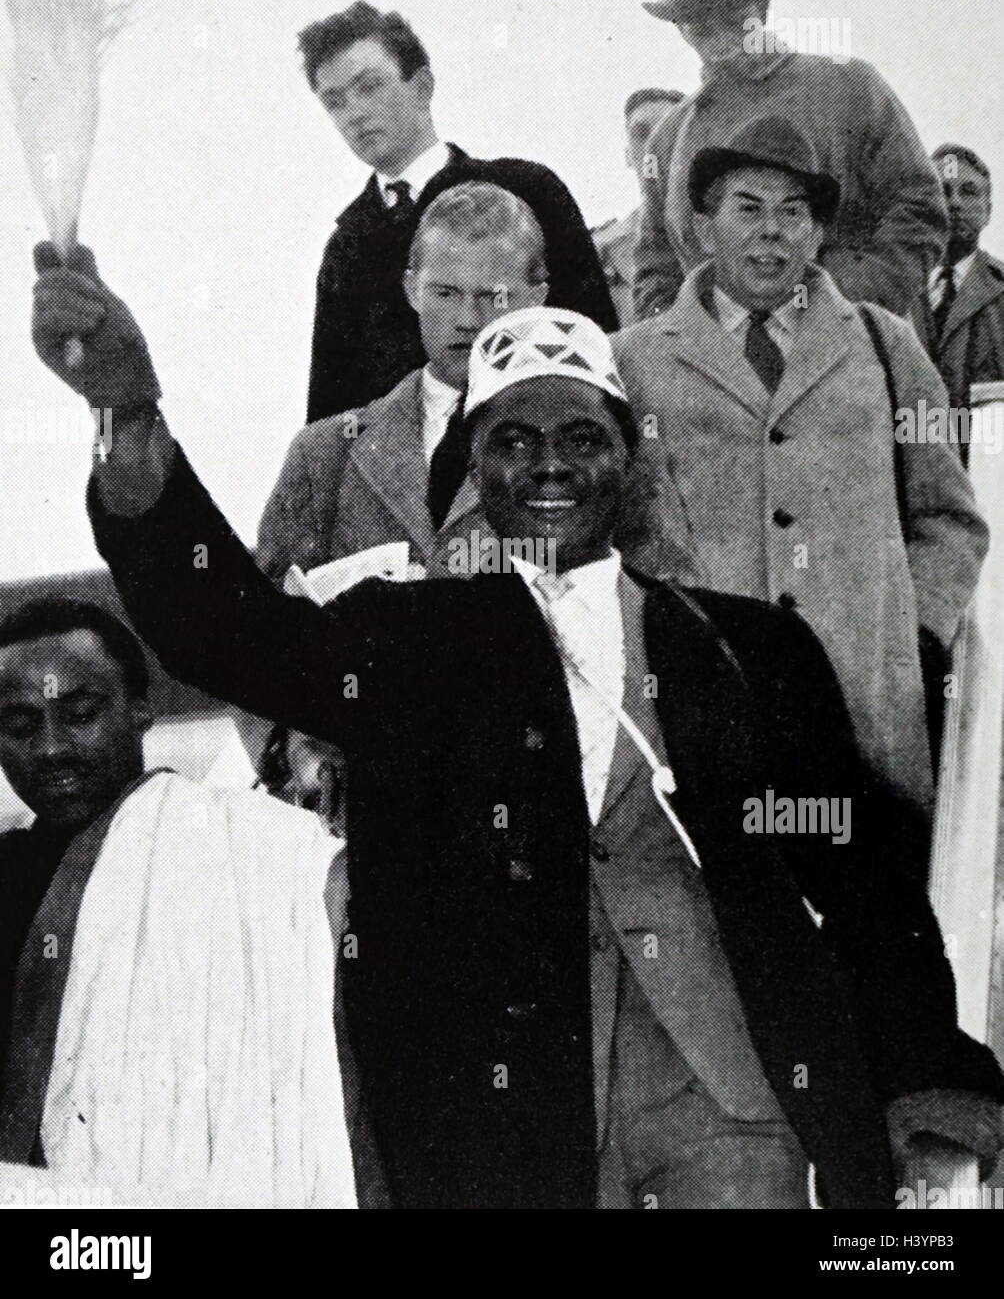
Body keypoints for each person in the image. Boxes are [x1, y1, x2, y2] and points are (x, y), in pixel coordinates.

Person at [29, 252, 1004, 1210]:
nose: (547, 463)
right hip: (502, 1124)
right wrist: (128, 408)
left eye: (579, 436)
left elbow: (865, 880)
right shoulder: (410, 643)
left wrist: (923, 1088)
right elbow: (221, 624)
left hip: (735, 1113)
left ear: (629, 459)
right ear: (478, 474)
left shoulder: (750, 649)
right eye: (511, 439)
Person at [617, 116, 986, 812]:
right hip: (703, 731)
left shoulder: (886, 345)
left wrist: (916, 639)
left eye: (795, 212)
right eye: (747, 209)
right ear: (702, 227)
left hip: (868, 727)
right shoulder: (633, 361)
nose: (773, 231)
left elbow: (949, 518)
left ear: (818, 234)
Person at [0, 597, 355, 1207]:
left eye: (81, 713)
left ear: (142, 710)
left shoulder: (258, 852)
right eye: (21, 726)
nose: (52, 749)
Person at [259, 181, 679, 585]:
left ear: (538, 297)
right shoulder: (325, 454)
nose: (467, 319)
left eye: (492, 297)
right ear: (411, 290)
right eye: (445, 293)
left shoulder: (606, 448)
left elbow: (646, 596)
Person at [301, 1, 615, 421]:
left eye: (369, 86)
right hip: (402, 476)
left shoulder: (529, 189)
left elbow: (600, 346)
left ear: (423, 85)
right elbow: (330, 415)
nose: (354, 113)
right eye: (335, 102)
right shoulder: (347, 246)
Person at [634, 0, 947, 319]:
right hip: (718, 368)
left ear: (761, 6)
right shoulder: (667, 141)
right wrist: (682, 341)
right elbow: (655, 268)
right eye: (701, 28)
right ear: (680, 30)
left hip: (845, 352)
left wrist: (844, 308)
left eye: (734, 20)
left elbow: (919, 208)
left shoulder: (850, 86)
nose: (721, 40)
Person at [912, 145, 1004, 447]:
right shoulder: (894, 292)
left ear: (988, 210)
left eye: (968, 192)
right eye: (942, 191)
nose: (954, 203)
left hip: (985, 473)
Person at [592, 88, 682, 326]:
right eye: (641, 134)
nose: (653, 144)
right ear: (628, 156)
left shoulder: (735, 237)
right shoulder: (596, 253)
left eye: (668, 130)